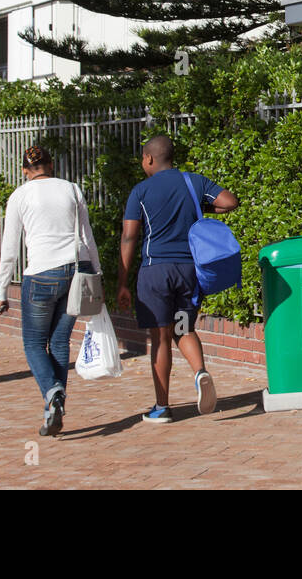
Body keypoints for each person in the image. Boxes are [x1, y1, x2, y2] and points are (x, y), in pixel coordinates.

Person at [117, 134, 239, 423]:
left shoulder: (141, 192)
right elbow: (230, 202)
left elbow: (129, 236)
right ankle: (200, 373)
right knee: (183, 327)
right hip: (188, 272)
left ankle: (162, 407)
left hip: (155, 272)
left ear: (149, 159)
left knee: (160, 336)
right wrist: (202, 207)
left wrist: (122, 282)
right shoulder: (193, 182)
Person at [0, 145, 100, 436]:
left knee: (32, 344)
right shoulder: (71, 189)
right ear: (51, 165)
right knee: (59, 342)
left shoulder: (20, 195)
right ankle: (53, 411)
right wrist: (97, 272)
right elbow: (86, 235)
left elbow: (9, 248)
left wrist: (3, 291)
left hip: (40, 274)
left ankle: (52, 392)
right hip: (75, 271)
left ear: (25, 171)